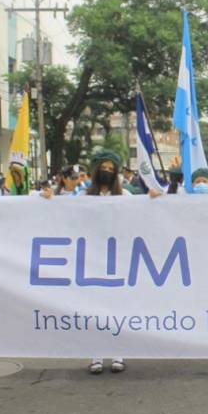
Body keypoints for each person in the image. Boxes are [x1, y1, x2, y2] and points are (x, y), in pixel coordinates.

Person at [83, 149, 128, 374]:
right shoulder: (84, 196)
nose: (107, 171)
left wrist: (153, 197)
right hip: (91, 258)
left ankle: (118, 355)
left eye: (111, 169)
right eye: (103, 167)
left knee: (117, 307)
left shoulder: (125, 196)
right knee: (94, 308)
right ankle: (96, 356)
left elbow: (145, 212)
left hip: (117, 258)